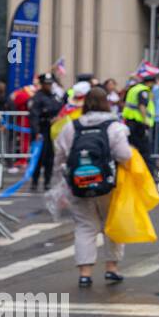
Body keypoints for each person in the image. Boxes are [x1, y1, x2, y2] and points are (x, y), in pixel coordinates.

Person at [54, 87, 134, 288]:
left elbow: (60, 156)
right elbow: (125, 155)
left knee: (84, 226)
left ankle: (85, 273)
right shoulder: (114, 126)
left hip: (79, 184)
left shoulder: (71, 126)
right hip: (108, 184)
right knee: (111, 224)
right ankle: (111, 268)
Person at [28, 74, 63, 192]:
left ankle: (47, 181)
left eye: (50, 83)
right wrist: (36, 132)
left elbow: (60, 109)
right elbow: (34, 116)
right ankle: (34, 181)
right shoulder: (38, 97)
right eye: (47, 84)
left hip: (52, 130)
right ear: (42, 84)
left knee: (50, 158)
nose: (49, 86)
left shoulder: (54, 96)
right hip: (42, 130)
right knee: (38, 158)